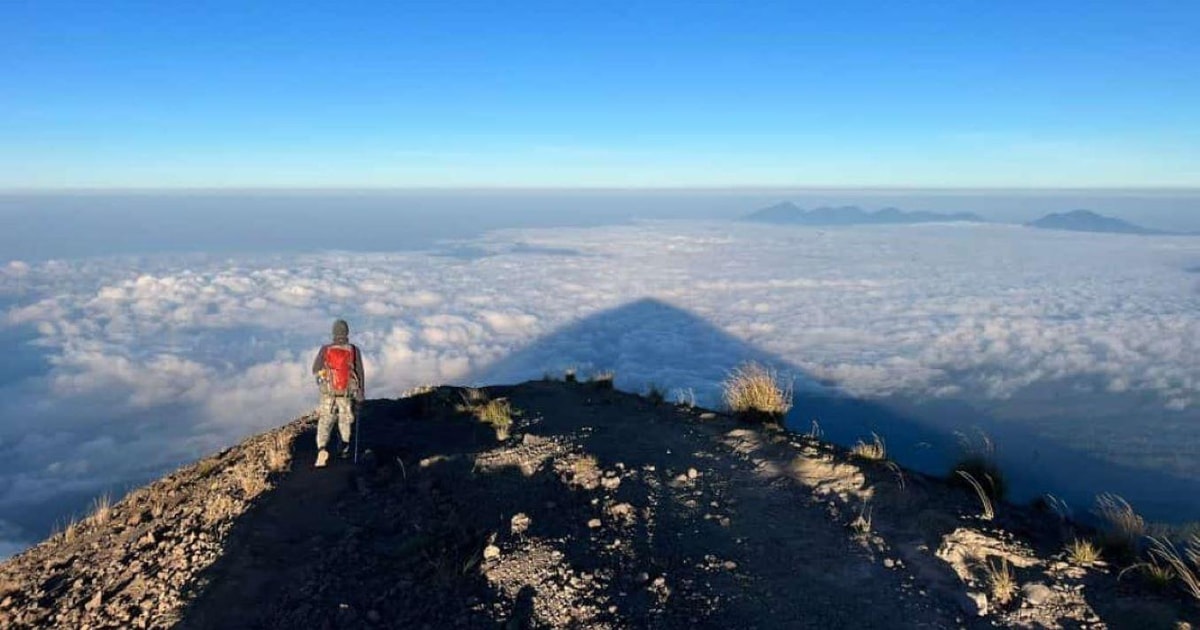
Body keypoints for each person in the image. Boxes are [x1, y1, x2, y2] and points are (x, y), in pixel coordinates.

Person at [311, 319, 365, 467]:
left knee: (325, 421)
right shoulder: (353, 350)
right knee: (345, 421)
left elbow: (315, 369)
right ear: (347, 333)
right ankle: (344, 449)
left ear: (334, 333)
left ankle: (322, 448)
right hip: (346, 393)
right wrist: (360, 395)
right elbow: (359, 374)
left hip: (328, 393)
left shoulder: (326, 349)